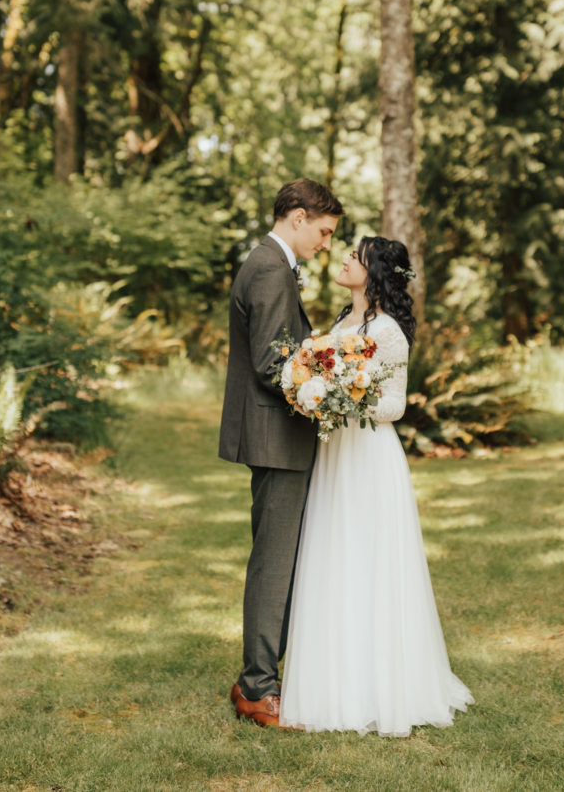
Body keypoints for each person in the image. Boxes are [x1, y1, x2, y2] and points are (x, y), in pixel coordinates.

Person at [277, 236, 473, 736]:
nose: (343, 258)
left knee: (369, 560)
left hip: (368, 455)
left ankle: (383, 684)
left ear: (375, 271)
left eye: (354, 256)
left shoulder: (387, 332)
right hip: (337, 454)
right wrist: (315, 392)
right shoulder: (343, 323)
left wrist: (345, 397)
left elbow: (395, 406)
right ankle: (333, 679)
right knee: (334, 556)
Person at [218, 178, 342, 728]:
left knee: (281, 562)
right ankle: (256, 689)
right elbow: (273, 364)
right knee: (274, 566)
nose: (326, 243)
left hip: (276, 435)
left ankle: (259, 676)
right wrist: (327, 391)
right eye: (323, 230)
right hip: (276, 435)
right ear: (297, 216)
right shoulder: (270, 267)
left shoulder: (271, 263)